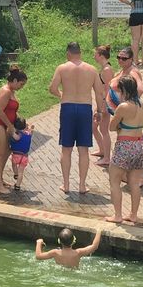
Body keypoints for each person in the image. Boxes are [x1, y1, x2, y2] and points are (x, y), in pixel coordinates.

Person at [49, 42, 104, 195]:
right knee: (83, 150)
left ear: (68, 53)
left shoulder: (62, 68)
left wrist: (62, 95)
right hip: (85, 108)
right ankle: (81, 185)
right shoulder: (91, 70)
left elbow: (52, 88)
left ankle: (66, 184)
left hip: (67, 108)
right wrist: (99, 111)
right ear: (80, 52)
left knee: (66, 149)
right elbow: (99, 93)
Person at [105, 76, 143, 224]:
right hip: (139, 145)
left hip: (125, 145)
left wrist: (119, 124)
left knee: (114, 181)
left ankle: (117, 216)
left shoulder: (123, 107)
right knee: (134, 182)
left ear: (124, 90)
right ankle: (133, 215)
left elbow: (111, 127)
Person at [0, 65, 27, 195]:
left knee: (7, 151)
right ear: (15, 81)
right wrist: (10, 126)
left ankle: (0, 179)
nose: (22, 87)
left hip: (5, 124)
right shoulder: (6, 91)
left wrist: (18, 123)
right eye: (21, 84)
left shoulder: (11, 91)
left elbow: (10, 110)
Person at [91, 45, 115, 167]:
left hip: (105, 103)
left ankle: (107, 157)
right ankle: (102, 150)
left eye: (95, 54)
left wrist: (103, 107)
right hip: (101, 103)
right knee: (93, 127)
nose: (94, 56)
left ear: (100, 55)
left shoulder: (107, 70)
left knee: (104, 130)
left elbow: (108, 89)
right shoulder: (104, 68)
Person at [35, 227, 102, 269]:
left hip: (61, 271)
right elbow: (94, 246)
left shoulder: (55, 253)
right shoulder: (78, 253)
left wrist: (39, 242)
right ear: (74, 240)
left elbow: (38, 256)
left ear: (59, 241)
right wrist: (99, 231)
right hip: (75, 272)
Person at [9, 117, 34, 191]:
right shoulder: (28, 134)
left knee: (14, 164)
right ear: (24, 126)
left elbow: (15, 137)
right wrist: (31, 127)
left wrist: (11, 131)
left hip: (16, 155)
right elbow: (31, 131)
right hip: (24, 157)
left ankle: (15, 173)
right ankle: (17, 185)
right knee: (21, 172)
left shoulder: (18, 135)